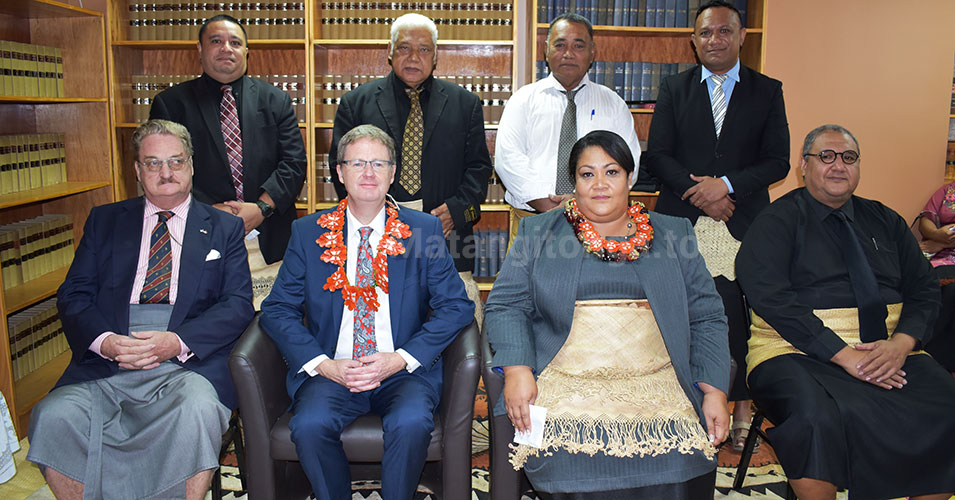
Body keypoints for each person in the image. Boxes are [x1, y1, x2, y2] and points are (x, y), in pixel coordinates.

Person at [486, 130, 730, 498]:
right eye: (587, 174)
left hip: (656, 378)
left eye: (612, 172)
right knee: (568, 458)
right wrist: (517, 369)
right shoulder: (539, 231)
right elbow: (506, 304)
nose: (599, 184)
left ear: (630, 178)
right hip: (566, 377)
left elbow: (707, 314)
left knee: (679, 460)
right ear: (575, 183)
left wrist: (714, 390)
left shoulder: (673, 232)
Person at [26, 120, 255, 500]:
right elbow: (74, 294)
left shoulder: (224, 228)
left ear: (192, 165)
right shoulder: (105, 221)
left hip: (185, 361)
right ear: (137, 170)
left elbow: (237, 304)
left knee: (197, 411)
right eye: (153, 163)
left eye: (176, 162)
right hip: (109, 358)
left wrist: (176, 342)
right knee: (54, 416)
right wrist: (107, 342)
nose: (166, 173)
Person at [737, 124, 955, 500]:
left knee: (946, 405)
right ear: (803, 167)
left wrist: (901, 344)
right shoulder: (775, 222)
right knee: (816, 419)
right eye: (826, 156)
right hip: (794, 351)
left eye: (848, 157)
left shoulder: (885, 220)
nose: (838, 165)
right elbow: (772, 299)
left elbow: (923, 289)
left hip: (887, 350)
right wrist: (845, 356)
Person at [260, 124, 474, 500]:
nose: (369, 173)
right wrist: (322, 365)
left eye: (379, 163)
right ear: (340, 173)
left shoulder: (423, 231)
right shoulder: (307, 233)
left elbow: (456, 306)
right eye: (358, 163)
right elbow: (277, 309)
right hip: (332, 369)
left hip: (401, 371)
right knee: (309, 425)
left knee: (410, 423)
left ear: (394, 173)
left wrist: (401, 359)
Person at [645, 0, 789, 448]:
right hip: (682, 218)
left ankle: (742, 406)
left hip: (743, 218)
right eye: (706, 33)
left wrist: (724, 187)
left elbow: (778, 160)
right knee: (678, 311)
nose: (715, 40)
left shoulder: (767, 90)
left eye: (724, 31)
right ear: (694, 39)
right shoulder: (674, 87)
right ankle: (681, 399)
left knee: (741, 314)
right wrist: (701, 195)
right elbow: (659, 156)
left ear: (742, 36)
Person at [328, 13, 491, 324]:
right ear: (390, 53)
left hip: (446, 233)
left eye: (424, 50)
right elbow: (342, 168)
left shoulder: (465, 103)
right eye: (404, 48)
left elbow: (479, 168)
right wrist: (372, 214)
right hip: (373, 232)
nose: (414, 57)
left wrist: (455, 212)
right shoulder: (356, 103)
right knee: (381, 325)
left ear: (436, 56)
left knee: (455, 328)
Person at [150, 14, 306, 309]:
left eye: (235, 42)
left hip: (269, 236)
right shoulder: (171, 103)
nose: (226, 48)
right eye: (216, 41)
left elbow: (294, 163)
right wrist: (211, 213)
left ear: (246, 52)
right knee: (211, 319)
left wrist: (261, 208)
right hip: (198, 234)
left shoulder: (276, 100)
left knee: (272, 322)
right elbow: (164, 171)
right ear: (199, 49)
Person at [494, 13, 641, 235]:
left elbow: (629, 163)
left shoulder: (613, 103)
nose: (568, 54)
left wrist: (583, 203)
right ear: (546, 50)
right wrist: (555, 208)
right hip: (534, 223)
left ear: (593, 52)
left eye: (578, 46)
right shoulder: (523, 100)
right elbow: (508, 160)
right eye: (560, 45)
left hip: (599, 225)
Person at [914, 181, 955, 371]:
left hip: (942, 251)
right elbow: (926, 221)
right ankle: (923, 355)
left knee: (951, 290)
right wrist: (937, 235)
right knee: (930, 288)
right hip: (938, 258)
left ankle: (939, 362)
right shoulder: (947, 190)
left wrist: (942, 244)